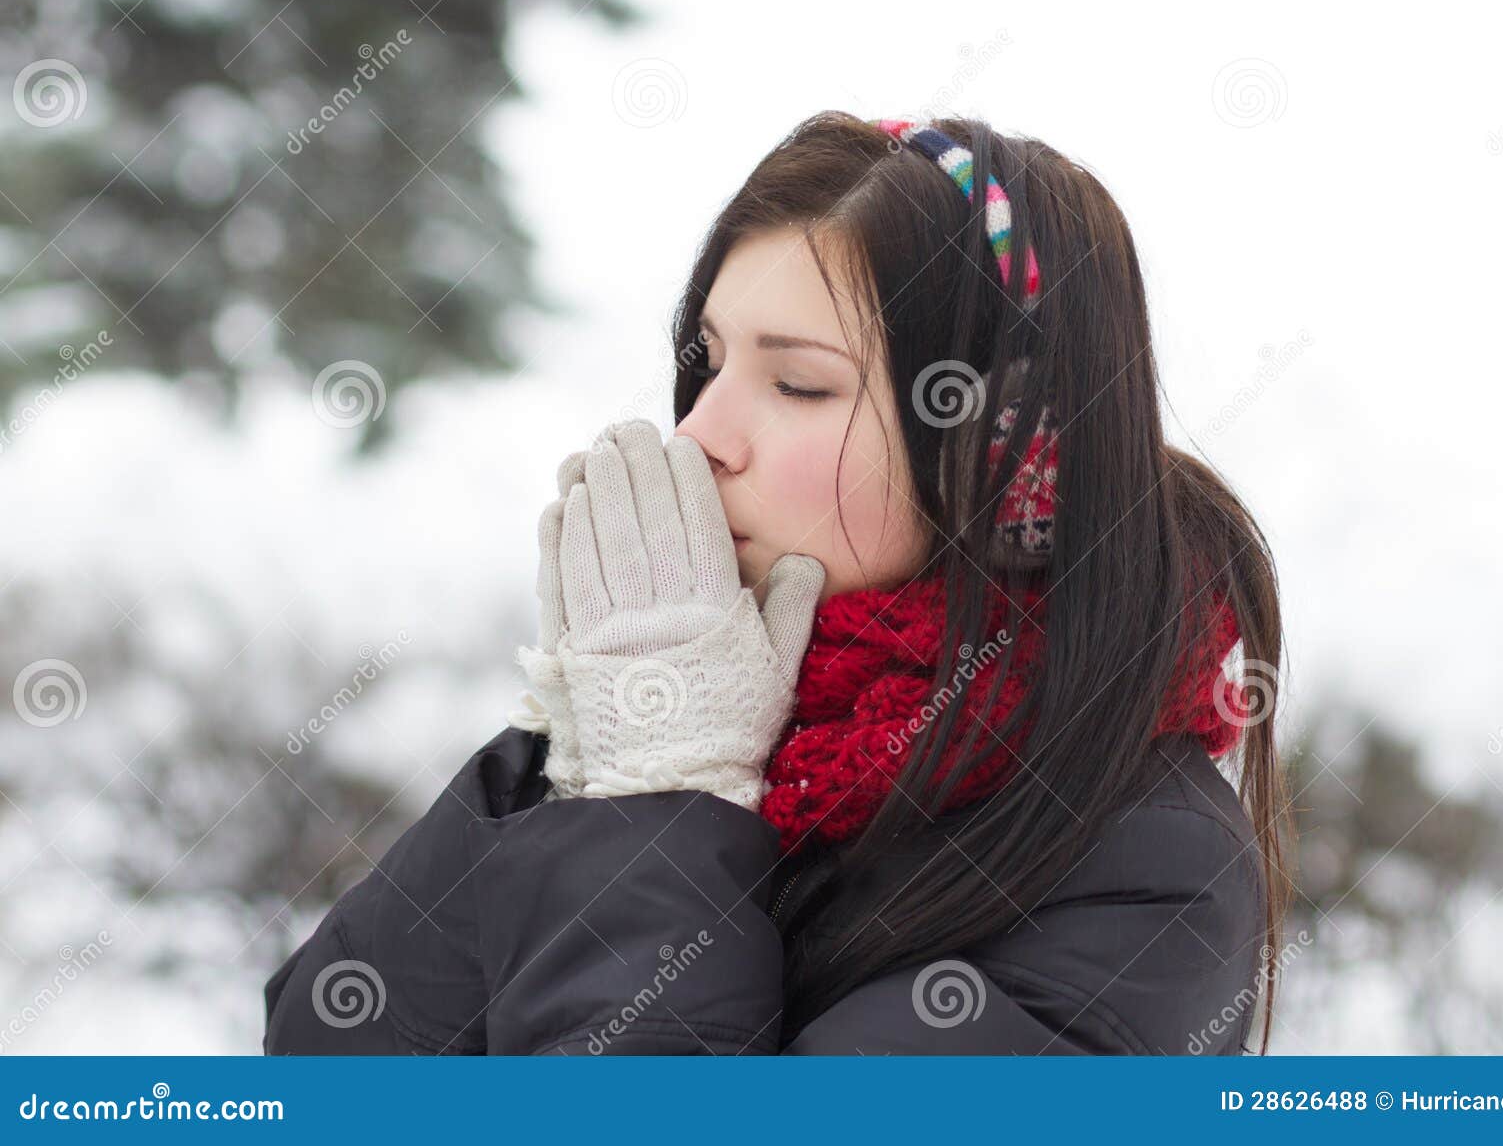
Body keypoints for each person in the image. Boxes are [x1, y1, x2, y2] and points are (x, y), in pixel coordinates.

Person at [262, 111, 1293, 1056]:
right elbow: (323, 1063)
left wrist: (659, 805)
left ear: (1003, 448)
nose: (699, 433)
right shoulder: (678, 689)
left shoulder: (1146, 878)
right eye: (705, 363)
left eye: (799, 382)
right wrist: (602, 765)